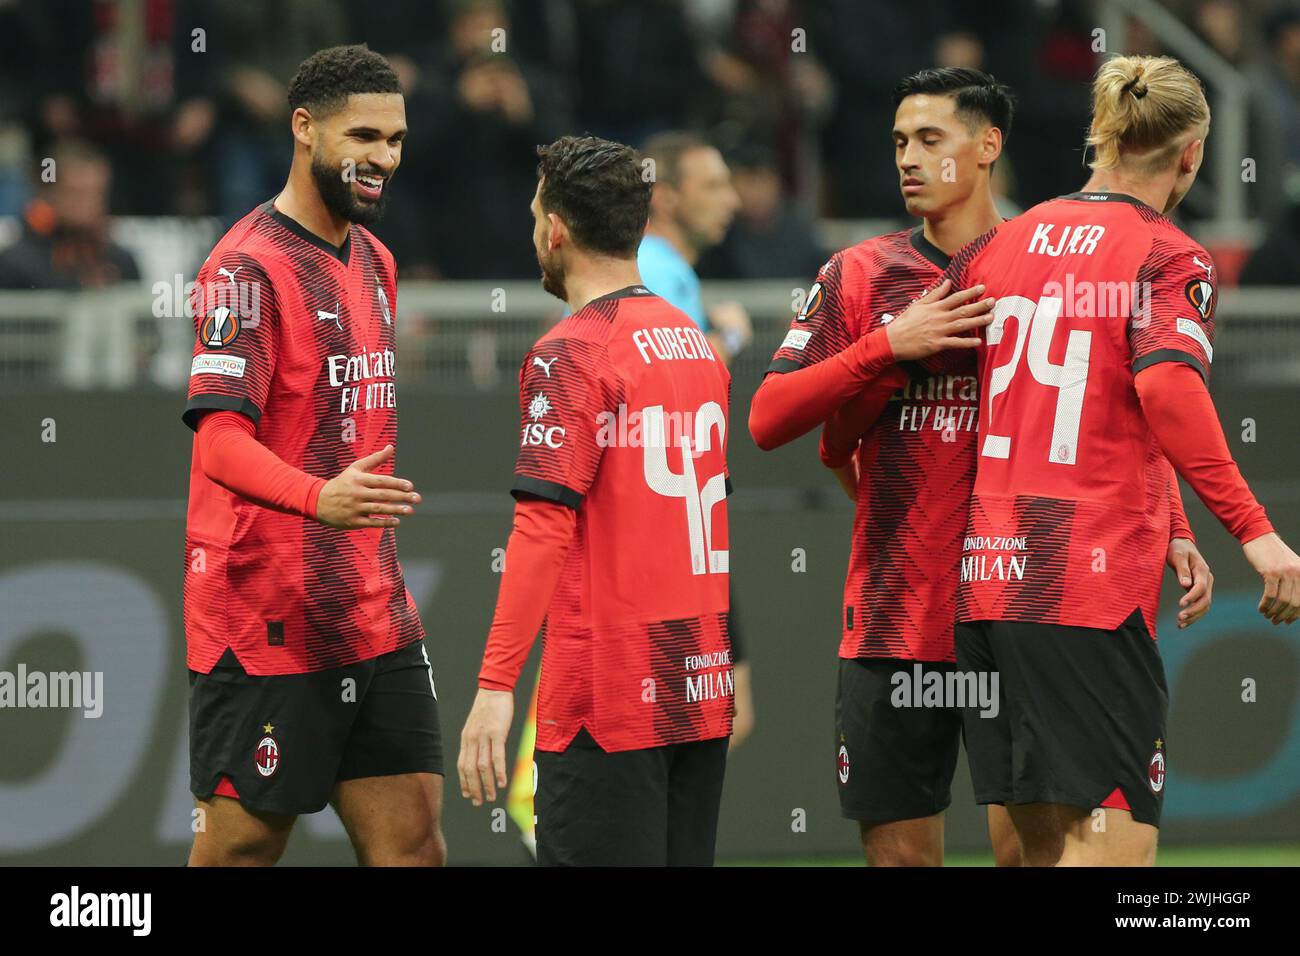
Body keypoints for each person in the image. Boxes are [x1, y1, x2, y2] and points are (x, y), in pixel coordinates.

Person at [749, 67, 1211, 867]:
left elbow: (1112, 407)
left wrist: (1171, 522)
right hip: (896, 621)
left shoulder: (1041, 258)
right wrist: (886, 347)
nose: (909, 159)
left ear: (988, 145)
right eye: (899, 142)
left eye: (931, 139)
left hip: (1011, 612)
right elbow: (769, 419)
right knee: (900, 860)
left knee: (1028, 855)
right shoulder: (859, 275)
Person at [944, 54, 1300, 866]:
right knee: (1116, 853)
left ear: (1100, 136)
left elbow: (1084, 400)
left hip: (992, 578)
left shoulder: (1002, 245)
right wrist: (1255, 530)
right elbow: (1168, 391)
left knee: (1031, 851)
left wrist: (1171, 520)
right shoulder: (1169, 255)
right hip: (1084, 584)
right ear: (1192, 153)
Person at [182, 45, 443, 866]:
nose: (384, 158)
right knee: (242, 849)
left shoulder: (377, 262)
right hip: (266, 613)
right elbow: (220, 437)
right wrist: (315, 499)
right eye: (364, 135)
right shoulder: (245, 268)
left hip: (372, 609)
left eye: (396, 140)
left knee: (414, 848)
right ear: (304, 129)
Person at [458, 135, 735, 866]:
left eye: (532, 218)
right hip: (695, 688)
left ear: (555, 228)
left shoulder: (571, 351)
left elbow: (542, 528)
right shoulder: (694, 343)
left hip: (607, 702)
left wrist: (494, 686)